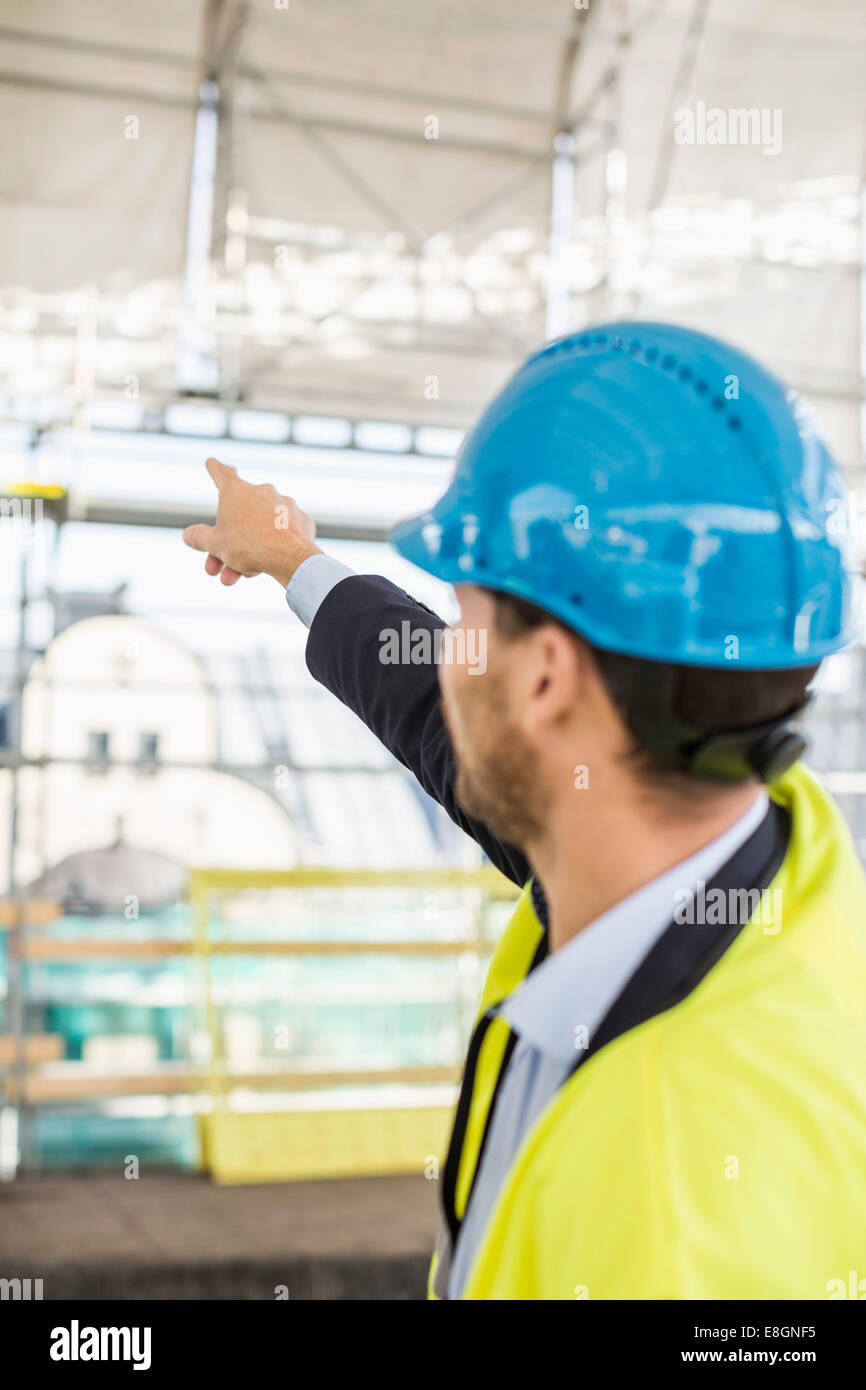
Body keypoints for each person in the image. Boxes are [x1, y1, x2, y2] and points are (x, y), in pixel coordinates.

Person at [183, 322, 866, 1300]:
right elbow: (439, 710)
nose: (445, 651)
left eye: (460, 612)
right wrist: (295, 561)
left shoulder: (664, 1193)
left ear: (544, 679)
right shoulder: (750, 862)